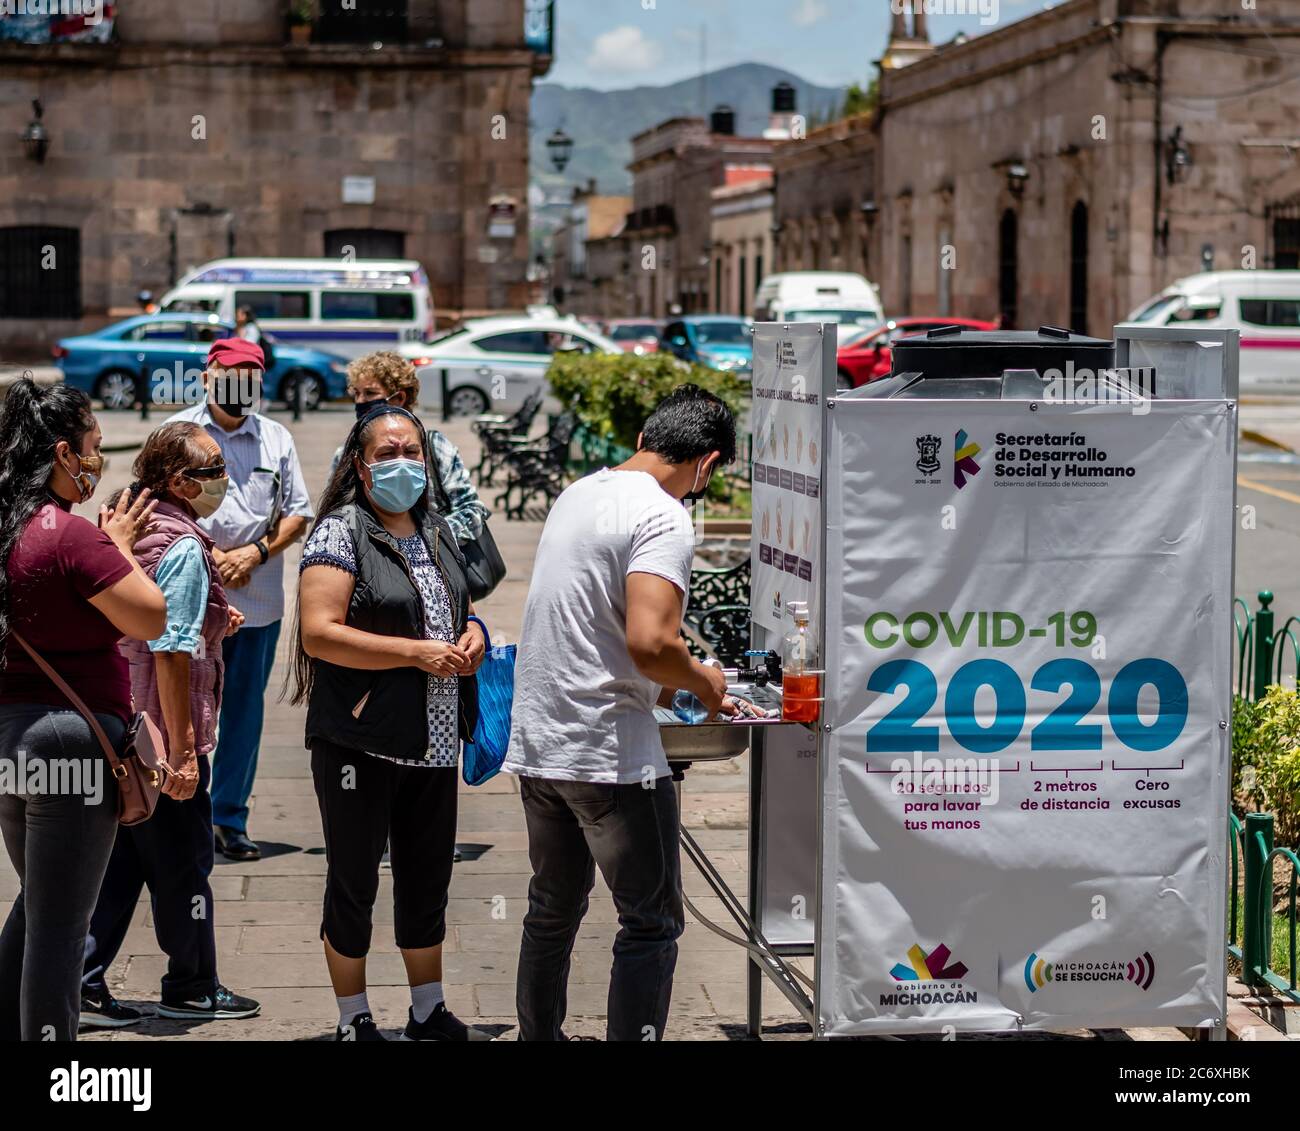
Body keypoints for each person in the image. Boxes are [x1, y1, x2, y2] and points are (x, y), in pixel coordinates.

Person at [504, 384, 739, 1042]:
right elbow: (650, 642)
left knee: (551, 907)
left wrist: (667, 684)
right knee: (650, 921)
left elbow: (593, 625)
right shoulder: (664, 516)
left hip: (541, 740)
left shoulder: (581, 492)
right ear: (708, 462)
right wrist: (708, 682)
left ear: (642, 437)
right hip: (606, 753)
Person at [290, 404, 489, 1042]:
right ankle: (354, 1019)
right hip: (361, 739)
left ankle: (427, 1009)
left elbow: (462, 605)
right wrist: (415, 652)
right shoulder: (340, 532)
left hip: (433, 739)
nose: (403, 464)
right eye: (387, 453)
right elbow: (320, 635)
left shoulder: (435, 529)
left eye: (414, 453)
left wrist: (475, 633)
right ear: (359, 464)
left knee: (428, 875)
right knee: (353, 881)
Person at [0, 379, 166, 1041]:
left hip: (11, 743)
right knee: (62, 930)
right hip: (70, 744)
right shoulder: (68, 535)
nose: (98, 465)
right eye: (94, 448)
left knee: (41, 907)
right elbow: (150, 614)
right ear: (65, 454)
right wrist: (120, 543)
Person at [80, 422, 261, 1027]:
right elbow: (171, 650)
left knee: (124, 860)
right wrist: (184, 754)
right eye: (212, 470)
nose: (223, 478)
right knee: (186, 862)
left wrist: (215, 616)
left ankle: (81, 977)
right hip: (160, 733)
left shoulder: (127, 523)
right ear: (180, 481)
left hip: (117, 720)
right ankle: (192, 983)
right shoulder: (182, 545)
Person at [166, 338, 313, 861]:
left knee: (244, 712)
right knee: (186, 702)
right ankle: (186, 813)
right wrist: (211, 557)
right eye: (230, 375)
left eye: (250, 377)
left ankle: (229, 817)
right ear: (207, 377)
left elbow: (298, 511)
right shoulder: (179, 435)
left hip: (259, 600)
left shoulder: (275, 437)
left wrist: (253, 553)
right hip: (192, 599)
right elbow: (157, 506)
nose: (239, 386)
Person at [327, 351, 489, 550]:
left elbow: (471, 509)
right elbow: (339, 513)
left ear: (399, 398)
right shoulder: (346, 454)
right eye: (356, 393)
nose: (360, 401)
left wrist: (427, 541)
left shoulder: (434, 446)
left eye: (370, 393)